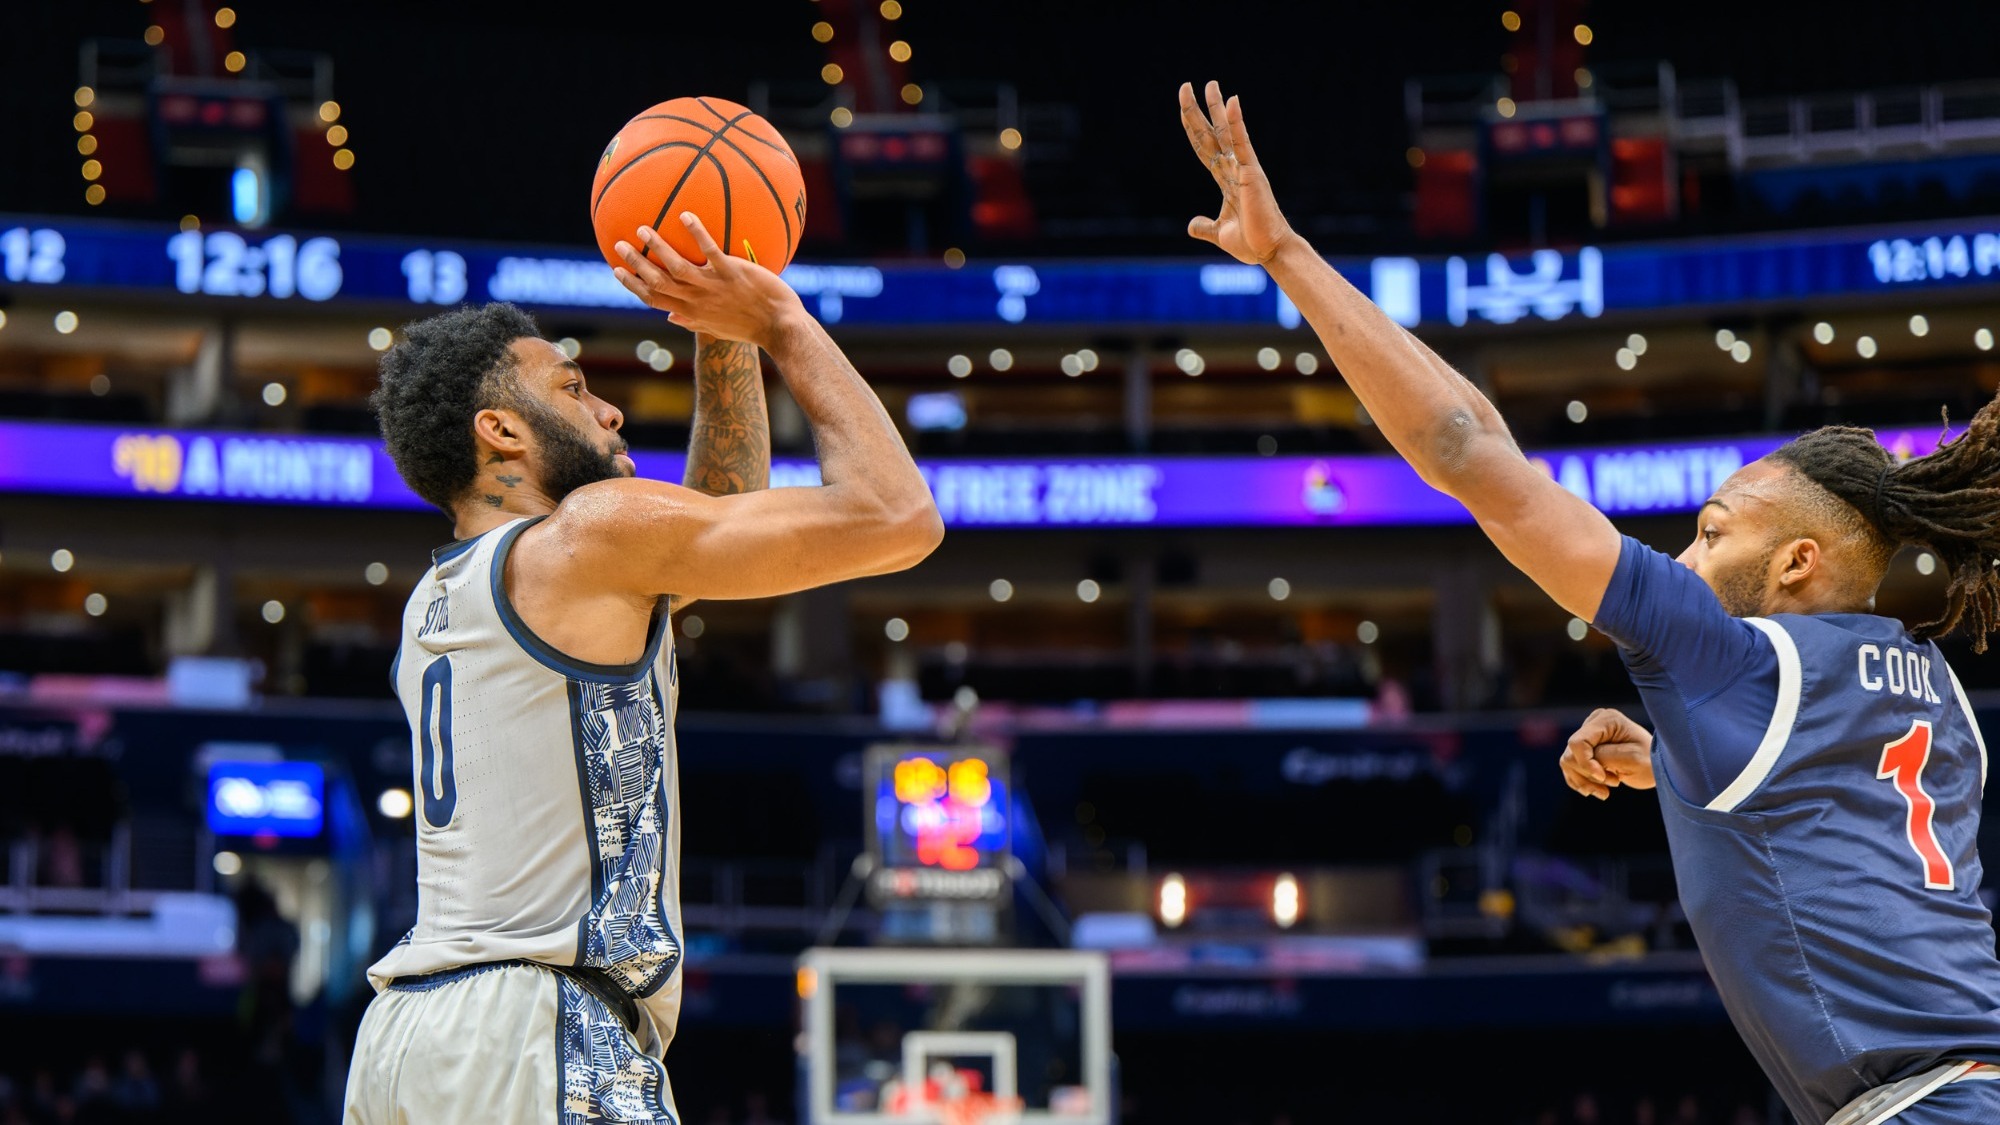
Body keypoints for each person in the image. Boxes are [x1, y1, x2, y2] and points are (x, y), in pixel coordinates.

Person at [1176, 80, 2000, 1125]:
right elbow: (1836, 824)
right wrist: (1672, 760)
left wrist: (1286, 255)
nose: (1683, 557)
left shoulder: (1721, 660)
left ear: (1794, 566)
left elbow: (1464, 451)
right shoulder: (1940, 705)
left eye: (1710, 532)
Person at [343, 213, 943, 1124]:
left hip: (403, 1041)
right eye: (574, 387)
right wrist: (779, 317)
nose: (609, 409)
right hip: (533, 1030)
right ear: (501, 429)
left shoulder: (440, 599)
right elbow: (899, 515)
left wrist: (720, 337)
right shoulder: (585, 536)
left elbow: (707, 528)